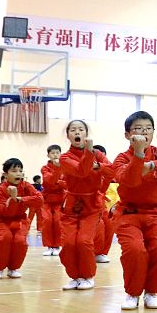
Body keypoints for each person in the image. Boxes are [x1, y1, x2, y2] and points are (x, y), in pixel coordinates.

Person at [111, 111, 157, 310]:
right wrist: (138, 156)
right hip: (129, 214)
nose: (144, 132)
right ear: (128, 135)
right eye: (138, 128)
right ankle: (132, 293)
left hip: (156, 214)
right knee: (134, 250)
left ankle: (152, 292)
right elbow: (129, 180)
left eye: (148, 128)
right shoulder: (120, 159)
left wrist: (153, 165)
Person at [58, 121, 114, 290]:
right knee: (68, 243)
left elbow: (112, 171)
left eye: (81, 129)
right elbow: (81, 171)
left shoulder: (97, 154)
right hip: (72, 205)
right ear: (68, 135)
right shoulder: (65, 158)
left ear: (86, 134)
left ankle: (87, 276)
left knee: (83, 241)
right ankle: (75, 277)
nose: (77, 132)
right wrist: (91, 158)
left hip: (92, 206)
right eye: (73, 130)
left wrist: (98, 164)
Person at [0, 158, 41, 280]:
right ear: (5, 174)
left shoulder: (27, 186)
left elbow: (39, 200)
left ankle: (13, 268)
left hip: (20, 219)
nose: (18, 173)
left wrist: (20, 199)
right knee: (4, 238)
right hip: (1, 220)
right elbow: (5, 212)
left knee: (20, 241)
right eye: (14, 170)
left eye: (20, 170)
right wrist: (13, 200)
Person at [40, 144, 64, 257]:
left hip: (60, 199)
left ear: (60, 154)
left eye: (57, 152)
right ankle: (49, 246)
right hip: (47, 200)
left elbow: (65, 183)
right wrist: (57, 182)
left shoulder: (65, 168)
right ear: (48, 155)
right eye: (52, 153)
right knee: (47, 221)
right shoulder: (44, 168)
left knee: (58, 221)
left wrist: (57, 183)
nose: (55, 155)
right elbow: (48, 181)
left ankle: (57, 245)